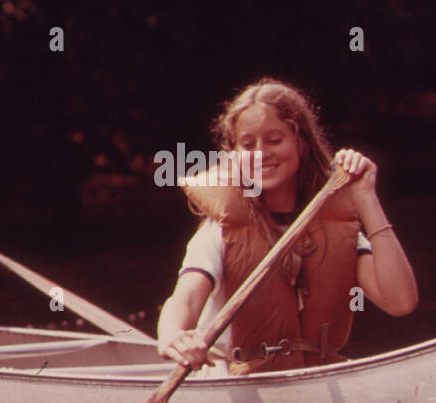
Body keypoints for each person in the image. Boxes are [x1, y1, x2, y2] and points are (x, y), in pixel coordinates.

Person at [157, 78, 417, 374]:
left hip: (313, 383)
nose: (261, 154)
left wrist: (366, 198)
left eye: (274, 140)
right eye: (248, 144)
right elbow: (185, 300)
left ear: (301, 141)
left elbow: (400, 301)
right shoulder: (220, 230)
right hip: (234, 383)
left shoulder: (334, 227)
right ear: (234, 154)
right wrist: (173, 337)